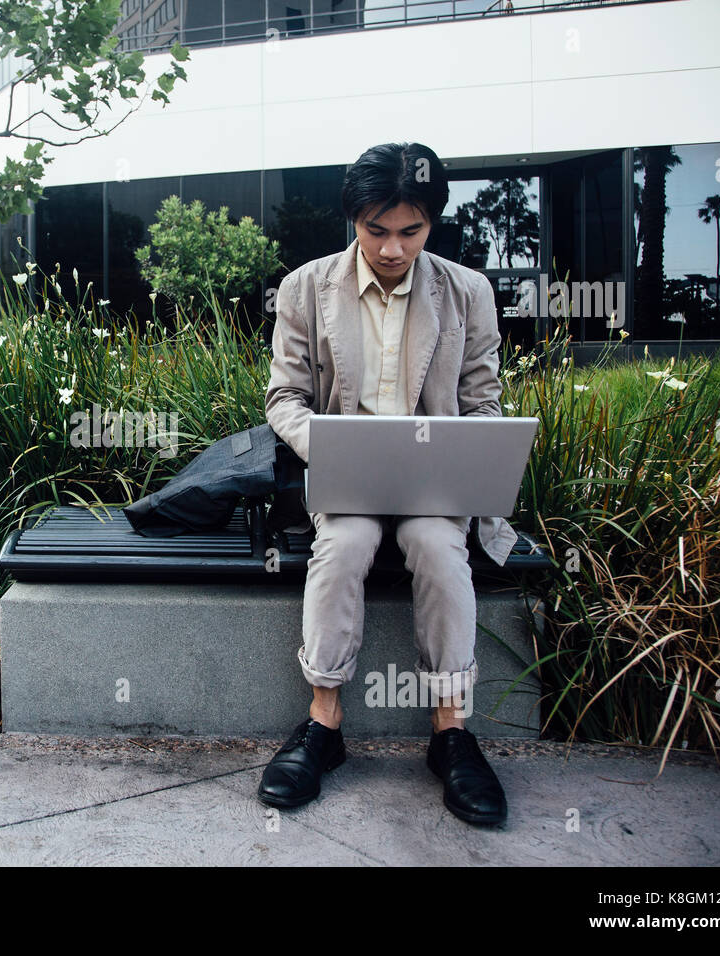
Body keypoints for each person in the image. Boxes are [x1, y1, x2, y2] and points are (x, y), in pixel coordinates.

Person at [259, 142, 514, 825]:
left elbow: (483, 405)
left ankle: (452, 732)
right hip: (350, 478)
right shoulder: (306, 288)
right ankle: (324, 723)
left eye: (411, 231)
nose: (394, 249)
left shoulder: (468, 292)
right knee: (341, 547)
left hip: (435, 483)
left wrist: (467, 456)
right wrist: (331, 446)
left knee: (437, 547)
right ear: (354, 221)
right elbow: (285, 398)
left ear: (431, 224)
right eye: (377, 231)